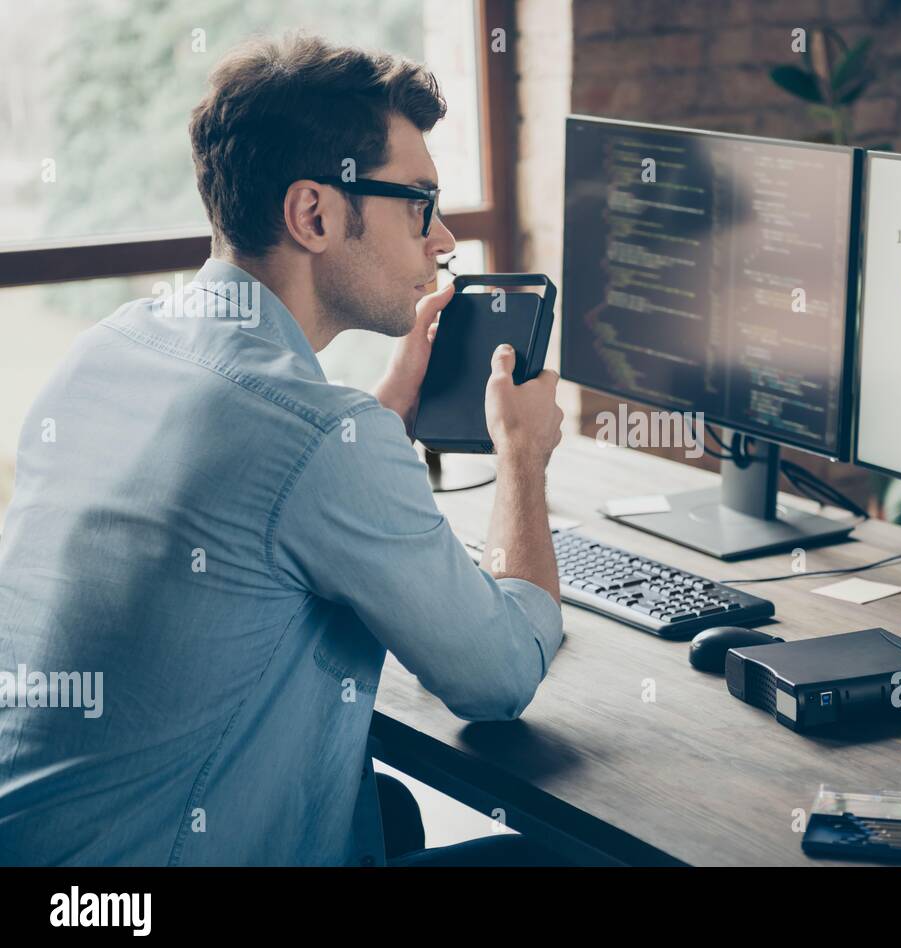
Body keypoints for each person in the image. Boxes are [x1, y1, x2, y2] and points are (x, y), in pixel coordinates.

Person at [0, 33, 565, 865]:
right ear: (314, 214)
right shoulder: (321, 441)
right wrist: (520, 460)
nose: (442, 239)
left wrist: (383, 419)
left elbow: (256, 497)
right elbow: (500, 678)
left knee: (386, 809)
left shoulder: (108, 349)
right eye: (418, 203)